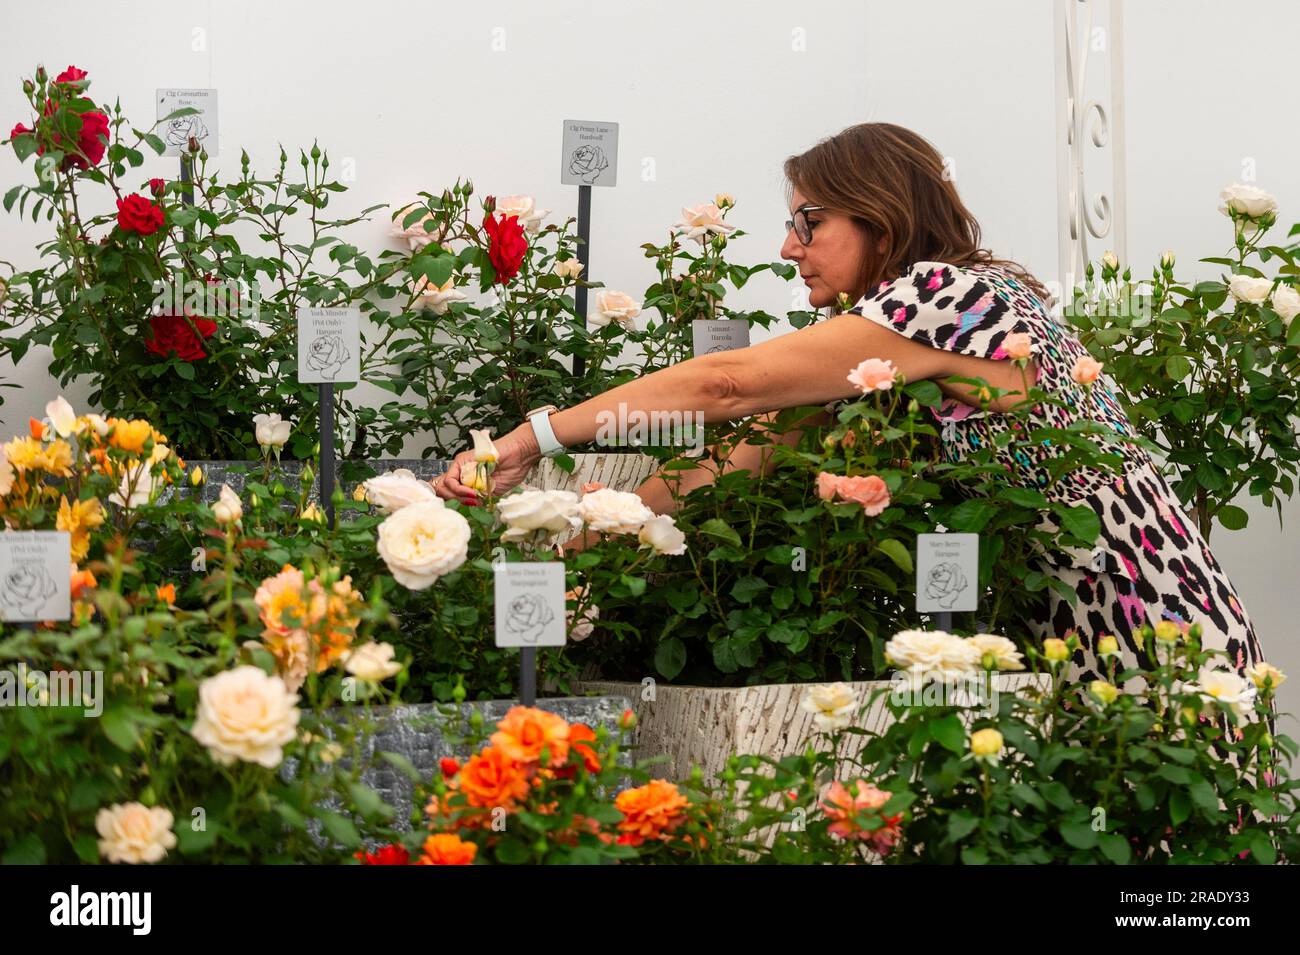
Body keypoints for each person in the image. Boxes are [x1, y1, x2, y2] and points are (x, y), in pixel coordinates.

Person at [432, 122, 1265, 688]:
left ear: (882, 215)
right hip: (1075, 630)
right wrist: (582, 531)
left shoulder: (956, 296)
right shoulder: (891, 342)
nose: (790, 245)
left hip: (1152, 627)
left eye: (809, 219)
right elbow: (749, 447)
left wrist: (528, 438)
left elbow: (727, 385)